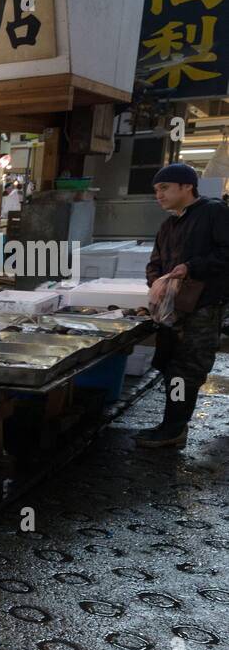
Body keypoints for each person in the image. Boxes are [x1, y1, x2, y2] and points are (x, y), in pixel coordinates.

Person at [136, 162, 229, 449]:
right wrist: (158, 281)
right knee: (168, 365)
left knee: (186, 370)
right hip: (171, 311)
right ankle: (170, 424)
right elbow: (155, 262)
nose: (159, 195)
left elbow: (226, 253)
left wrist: (190, 267)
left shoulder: (213, 212)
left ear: (187, 186)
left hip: (202, 308)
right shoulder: (168, 225)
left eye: (164, 188)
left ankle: (174, 428)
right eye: (156, 190)